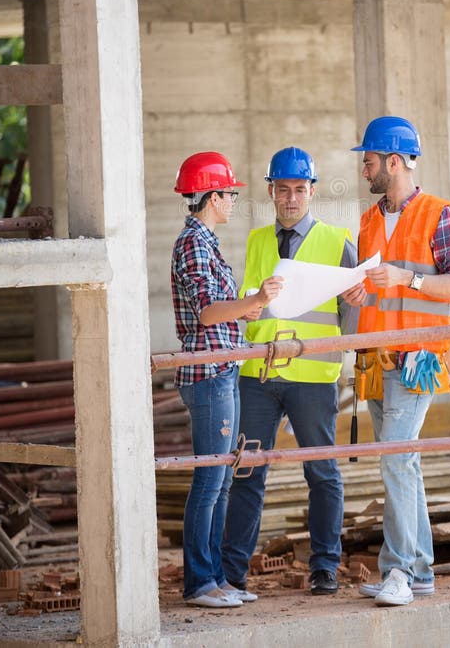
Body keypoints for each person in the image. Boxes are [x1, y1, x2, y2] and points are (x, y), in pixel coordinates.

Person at [222, 147, 362, 596]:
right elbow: (250, 298)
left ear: (312, 192)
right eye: (282, 190)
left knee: (322, 474)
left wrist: (352, 363)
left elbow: (353, 310)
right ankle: (232, 572)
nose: (291, 198)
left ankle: (324, 566)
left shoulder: (338, 241)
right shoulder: (258, 239)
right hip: (258, 376)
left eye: (299, 190)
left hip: (312, 379)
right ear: (270, 192)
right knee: (246, 472)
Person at [350, 116, 450, 607]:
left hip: (418, 358)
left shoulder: (441, 215)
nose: (364, 168)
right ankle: (419, 571)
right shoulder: (368, 219)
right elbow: (376, 288)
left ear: (394, 162)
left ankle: (398, 569)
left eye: (370, 160)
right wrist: (359, 291)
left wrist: (407, 279)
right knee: (405, 464)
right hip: (377, 360)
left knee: (397, 459)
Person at [171, 151, 282, 609]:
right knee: (210, 481)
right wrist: (251, 299)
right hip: (209, 373)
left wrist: (248, 306)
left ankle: (215, 579)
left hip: (222, 369)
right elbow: (209, 312)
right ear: (211, 196)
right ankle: (201, 582)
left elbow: (221, 310)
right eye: (229, 194)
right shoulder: (194, 244)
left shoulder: (206, 241)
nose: (234, 201)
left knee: (219, 480)